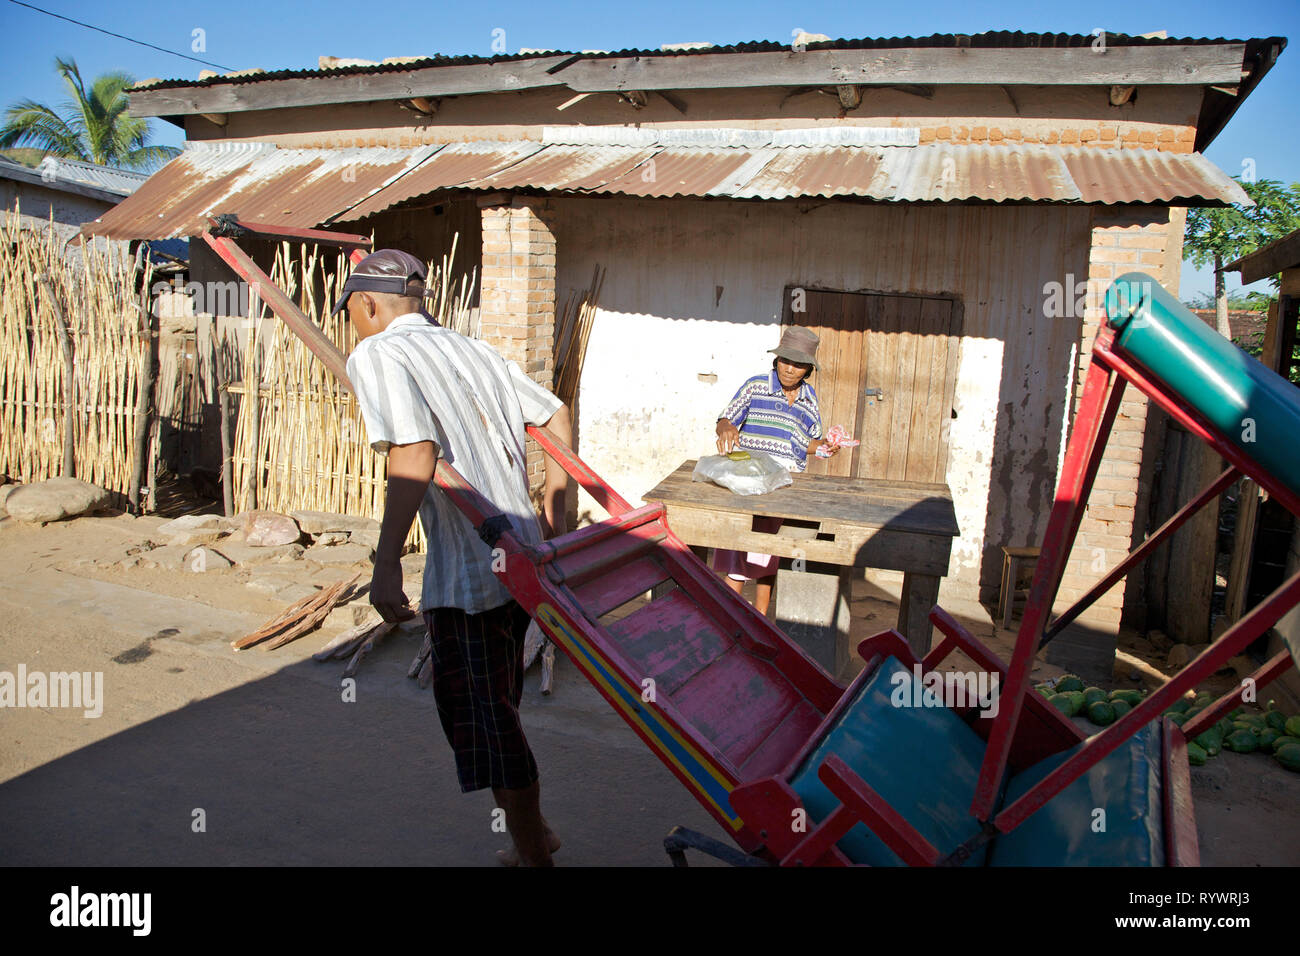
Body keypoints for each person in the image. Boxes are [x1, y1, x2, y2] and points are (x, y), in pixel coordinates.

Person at [337, 249, 571, 867]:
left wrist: (385, 566)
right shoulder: (473, 348)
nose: (353, 325)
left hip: (469, 575)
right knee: (497, 709)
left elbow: (413, 453)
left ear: (366, 304)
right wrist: (556, 510)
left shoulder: (378, 352)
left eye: (352, 314)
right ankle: (534, 836)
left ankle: (534, 850)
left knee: (487, 722)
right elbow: (554, 411)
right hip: (517, 559)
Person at [712, 327, 837, 615]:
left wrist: (825, 448)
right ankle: (733, 622)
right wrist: (727, 427)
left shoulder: (809, 398)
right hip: (751, 480)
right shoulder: (756, 386)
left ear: (808, 370)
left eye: (797, 365)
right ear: (776, 360)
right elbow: (725, 419)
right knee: (741, 550)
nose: (789, 369)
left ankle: (762, 620)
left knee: (769, 550)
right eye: (784, 361)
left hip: (783, 487)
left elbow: (805, 443)